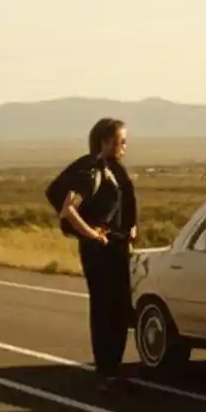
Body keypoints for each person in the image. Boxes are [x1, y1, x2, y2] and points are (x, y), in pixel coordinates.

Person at [55, 117, 138, 393]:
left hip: (116, 247)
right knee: (105, 309)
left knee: (120, 307)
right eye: (119, 142)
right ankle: (106, 372)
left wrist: (131, 228)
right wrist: (91, 234)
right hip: (99, 251)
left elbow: (123, 206)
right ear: (105, 142)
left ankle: (112, 368)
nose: (124, 147)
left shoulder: (116, 171)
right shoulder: (92, 170)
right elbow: (69, 208)